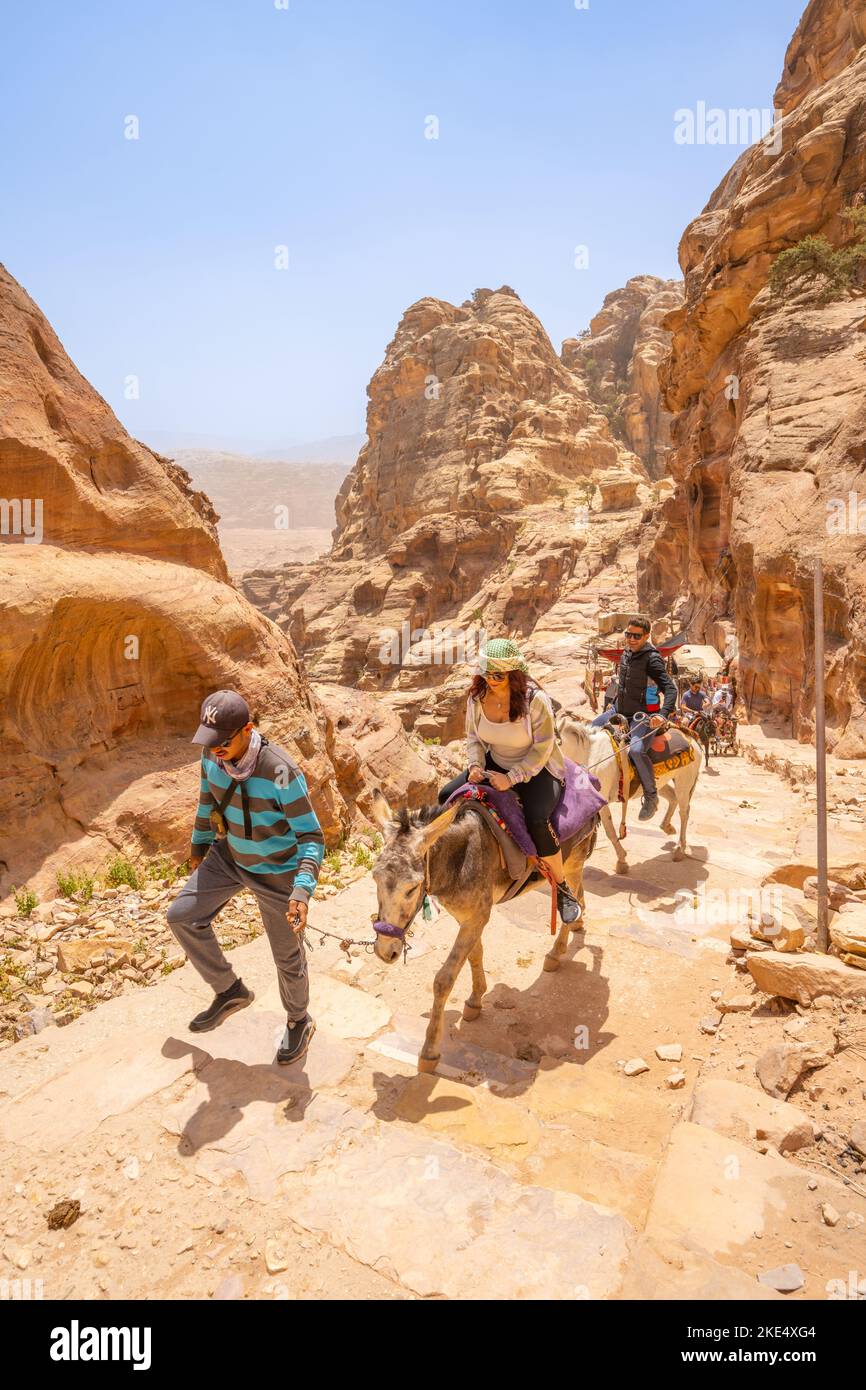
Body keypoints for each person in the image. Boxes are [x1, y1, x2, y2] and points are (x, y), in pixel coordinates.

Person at [166, 690, 324, 1065]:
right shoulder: (210, 757)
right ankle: (230, 990)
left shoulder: (281, 771)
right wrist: (199, 848)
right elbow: (207, 803)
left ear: (247, 730)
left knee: (287, 958)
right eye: (210, 742)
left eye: (223, 742)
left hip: (278, 872)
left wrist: (301, 891)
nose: (215, 750)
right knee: (183, 916)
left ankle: (299, 1020)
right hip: (230, 857)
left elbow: (312, 837)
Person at [438, 637, 582, 924]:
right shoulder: (477, 698)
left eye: (498, 675)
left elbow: (542, 747)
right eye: (486, 674)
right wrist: (476, 765)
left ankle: (562, 888)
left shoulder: (534, 700)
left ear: (513, 674)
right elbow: (474, 738)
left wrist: (512, 778)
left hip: (537, 768)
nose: (490, 680)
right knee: (445, 797)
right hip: (495, 762)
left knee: (538, 820)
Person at [591, 615, 678, 820]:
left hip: (641, 717)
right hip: (619, 710)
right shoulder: (627, 653)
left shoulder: (652, 658)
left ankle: (651, 796)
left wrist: (661, 715)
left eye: (636, 636)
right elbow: (623, 683)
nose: (631, 639)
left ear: (646, 636)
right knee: (591, 729)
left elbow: (670, 689)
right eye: (628, 634)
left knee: (637, 750)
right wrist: (613, 703)